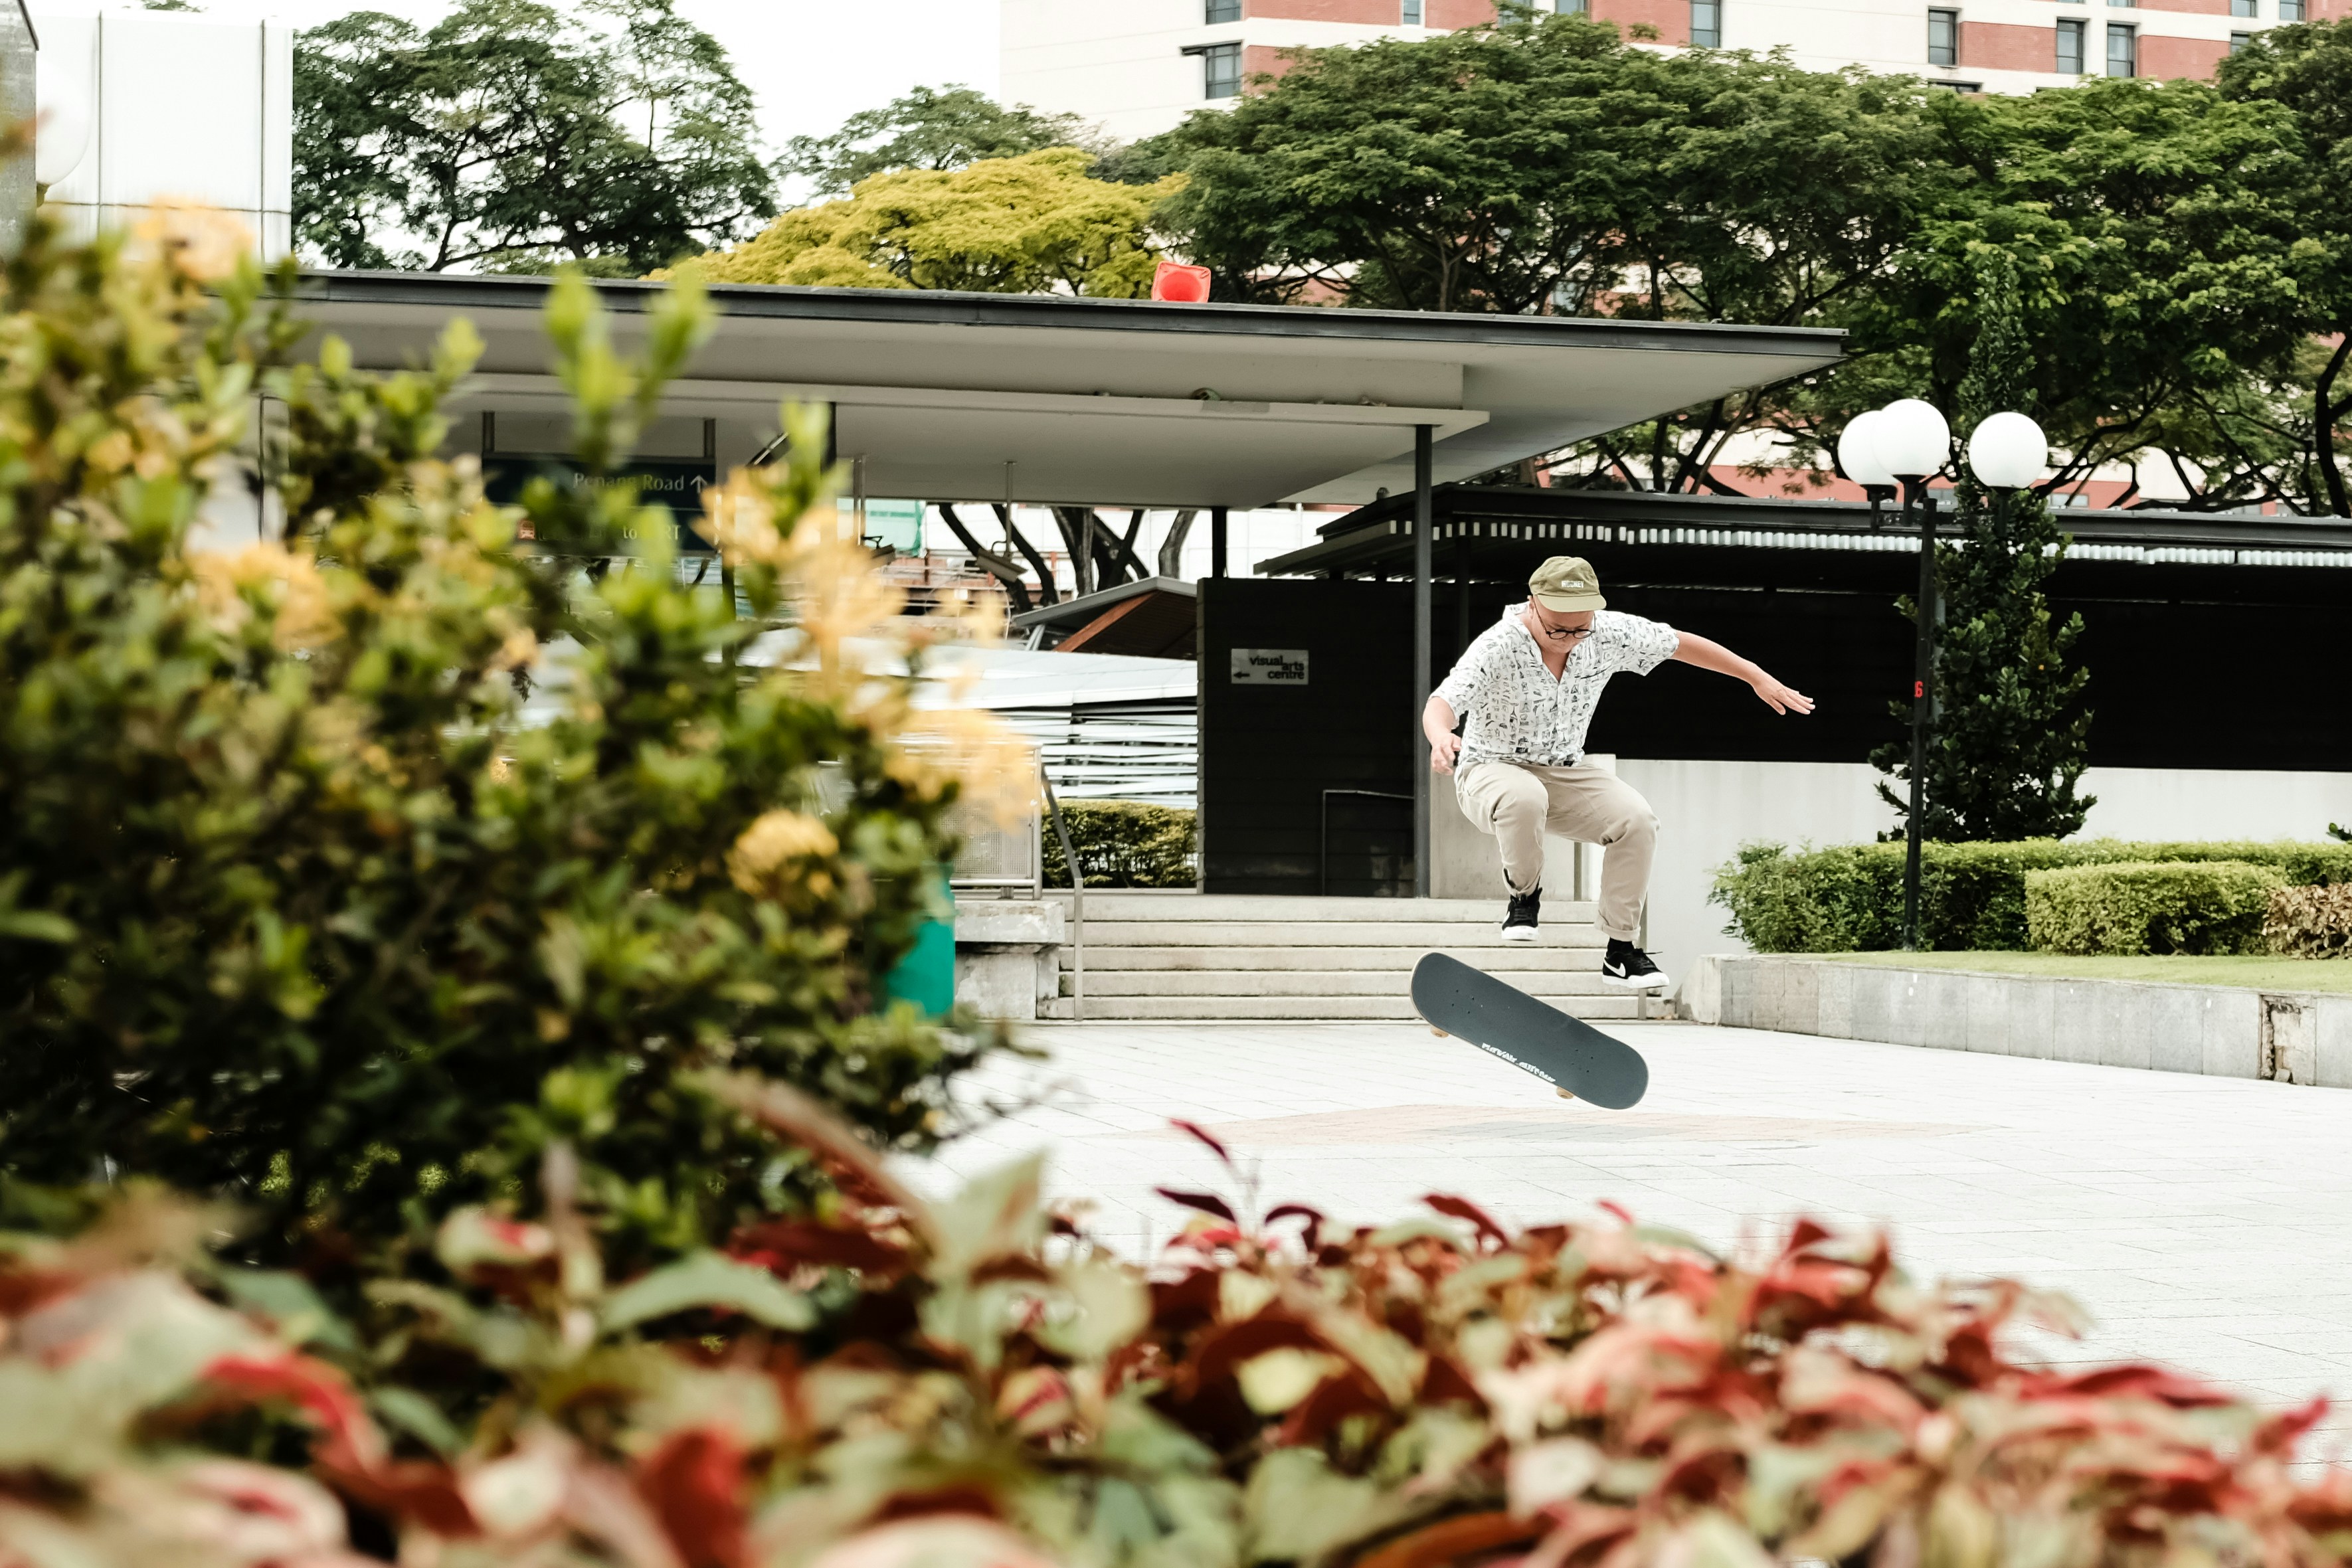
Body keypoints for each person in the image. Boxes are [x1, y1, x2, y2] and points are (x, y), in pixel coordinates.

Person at [1423, 556, 1814, 990]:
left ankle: (1620, 951)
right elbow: (1444, 699)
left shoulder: (1609, 632)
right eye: (1557, 629)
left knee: (1635, 819)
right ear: (1532, 605)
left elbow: (1680, 644)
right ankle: (1523, 895)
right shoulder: (1497, 644)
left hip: (1565, 772)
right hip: (1490, 769)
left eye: (1579, 629)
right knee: (1523, 796)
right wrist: (1441, 736)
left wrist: (1753, 676)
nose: (1568, 640)